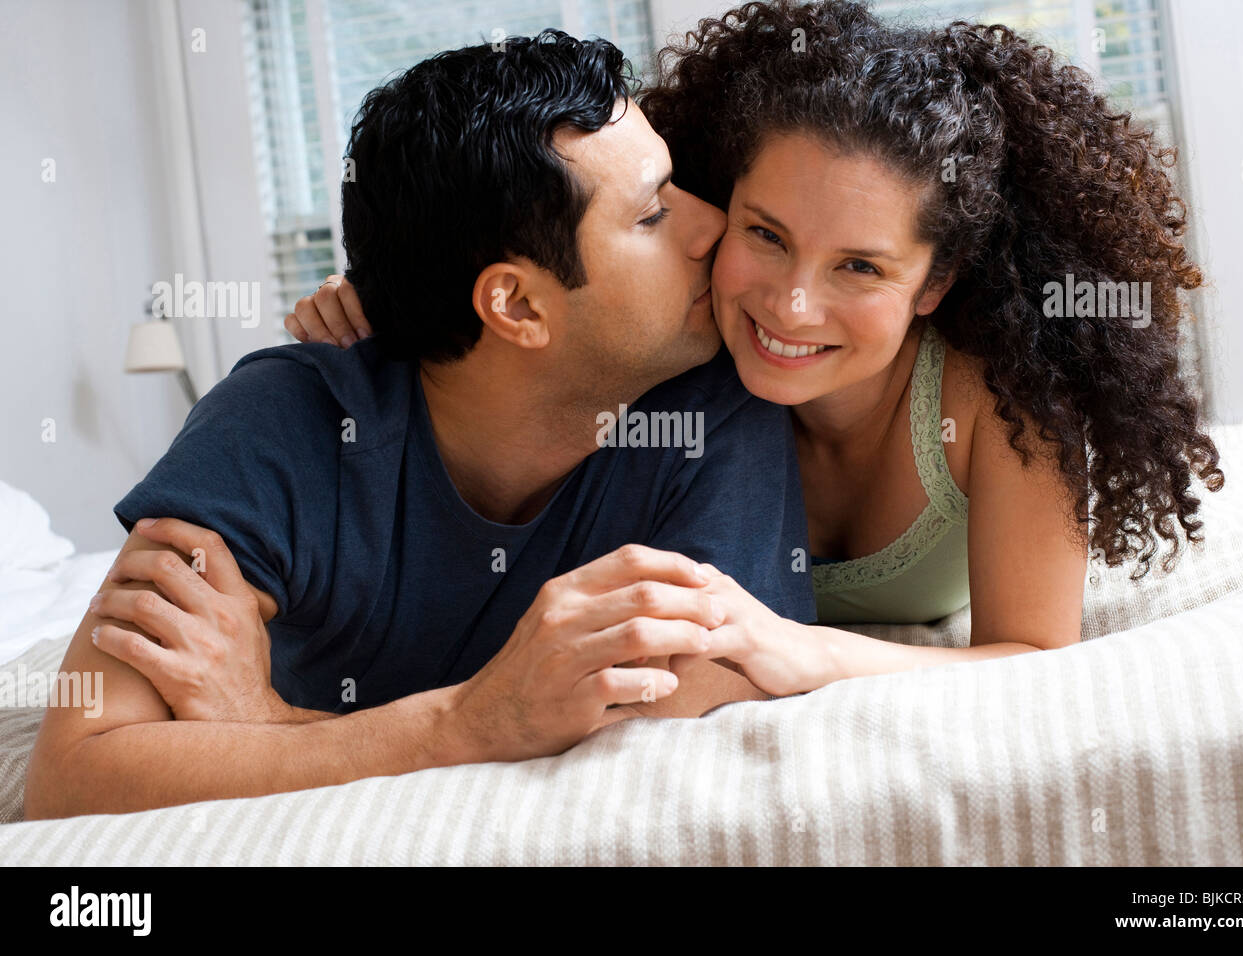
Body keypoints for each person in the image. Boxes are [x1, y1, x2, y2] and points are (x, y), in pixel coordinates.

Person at [295, 0, 1224, 698]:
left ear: (933, 287)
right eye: (766, 234)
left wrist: (798, 647)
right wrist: (390, 304)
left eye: (860, 265)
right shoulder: (673, 348)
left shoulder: (1004, 401)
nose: (790, 303)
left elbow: (1033, 662)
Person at [23, 31, 816, 820]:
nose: (713, 225)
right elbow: (74, 778)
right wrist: (463, 725)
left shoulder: (716, 402)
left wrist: (270, 726)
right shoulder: (279, 424)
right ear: (517, 305)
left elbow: (707, 700)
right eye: (652, 215)